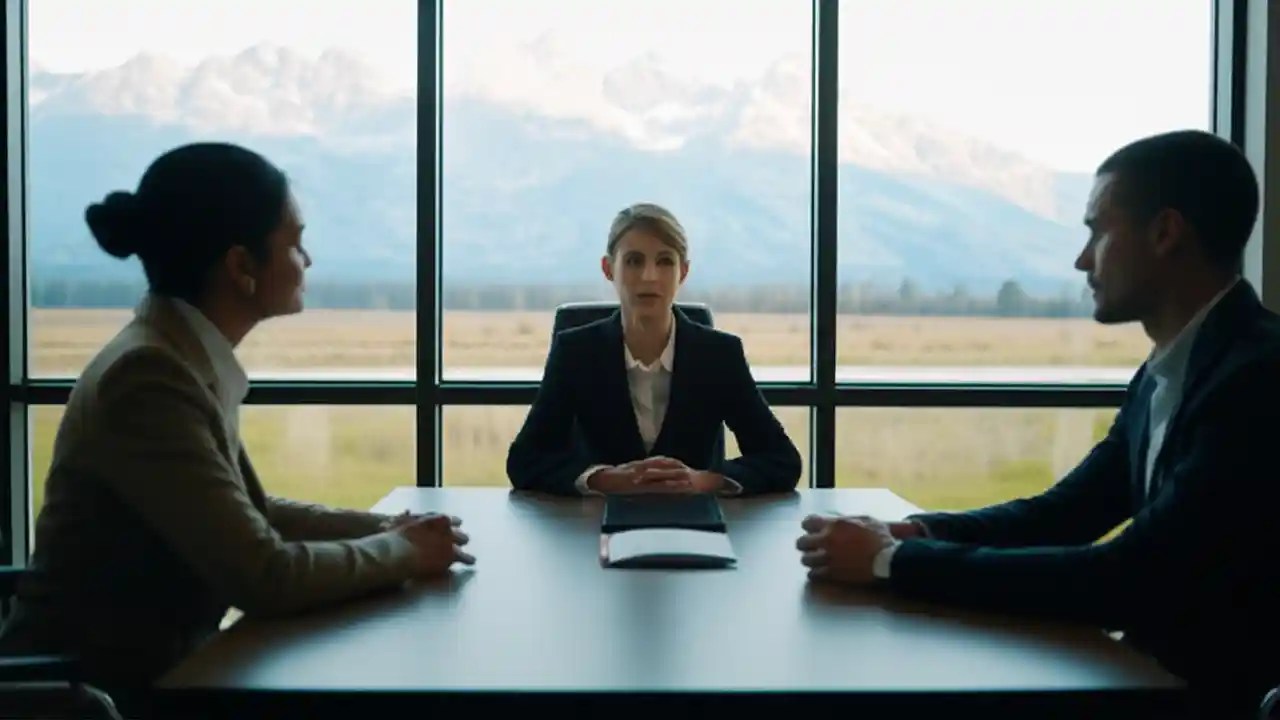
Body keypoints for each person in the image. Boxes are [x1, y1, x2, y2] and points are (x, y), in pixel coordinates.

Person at [795, 129, 1280, 715]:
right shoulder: (1170, 368)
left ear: (1164, 233)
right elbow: (1069, 511)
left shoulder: (1255, 380)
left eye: (1097, 231)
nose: (1082, 259)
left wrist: (888, 561)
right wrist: (918, 533)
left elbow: (1127, 581)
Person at [0, 142, 475, 701]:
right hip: (91, 693)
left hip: (157, 676)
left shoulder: (174, 355)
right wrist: (403, 552)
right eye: (295, 243)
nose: (308, 261)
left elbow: (248, 512)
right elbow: (264, 575)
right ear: (241, 266)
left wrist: (386, 529)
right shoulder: (149, 377)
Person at [507, 202, 802, 496]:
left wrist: (704, 481)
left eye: (665, 262)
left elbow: (781, 460)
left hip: (697, 525)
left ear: (683, 272)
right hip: (595, 526)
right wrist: (603, 479)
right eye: (634, 261)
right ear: (609, 269)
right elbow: (525, 460)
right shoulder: (576, 352)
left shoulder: (719, 354)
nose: (650, 276)